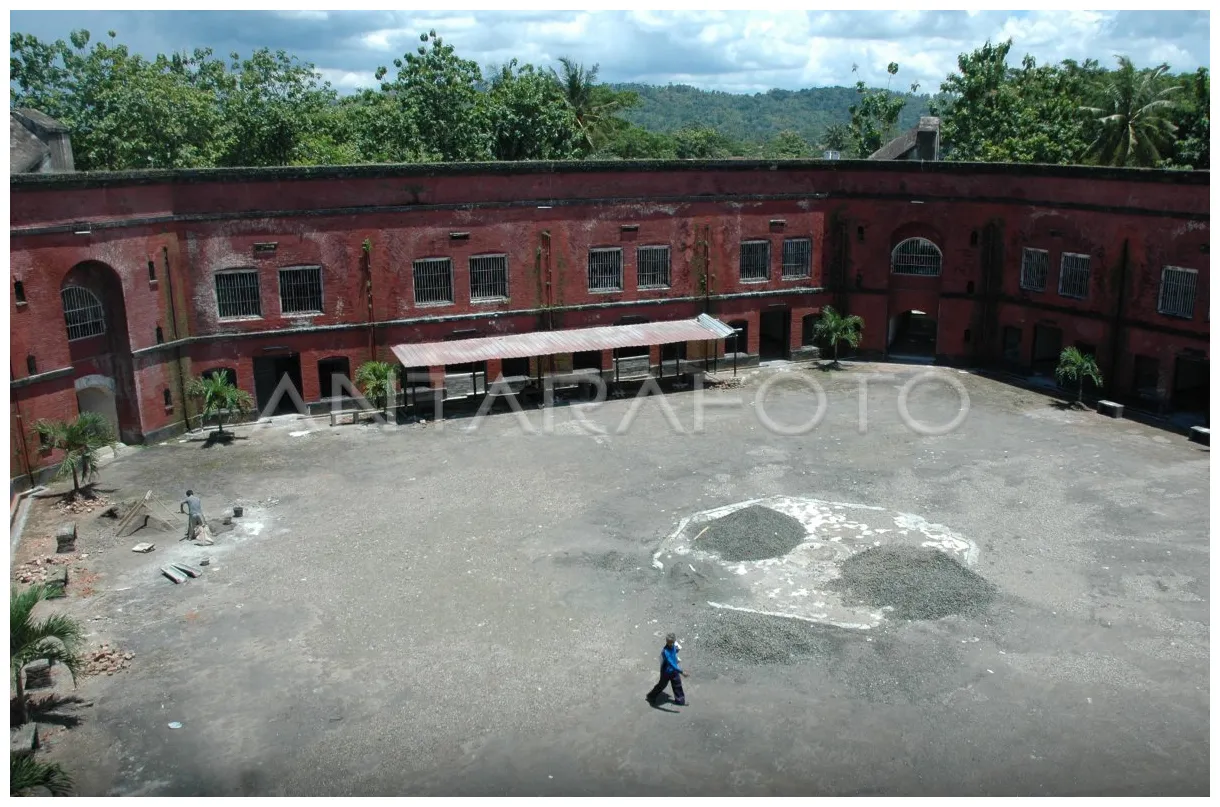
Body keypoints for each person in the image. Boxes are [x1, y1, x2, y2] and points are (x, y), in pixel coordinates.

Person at [646, 632, 687, 706]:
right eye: (668, 642)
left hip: (674, 671)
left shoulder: (674, 646)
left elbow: (676, 651)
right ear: (666, 641)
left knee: (677, 685)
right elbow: (671, 664)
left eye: (671, 642)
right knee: (661, 685)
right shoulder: (665, 652)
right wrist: (682, 672)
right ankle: (651, 696)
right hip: (666, 672)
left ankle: (680, 700)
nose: (670, 644)